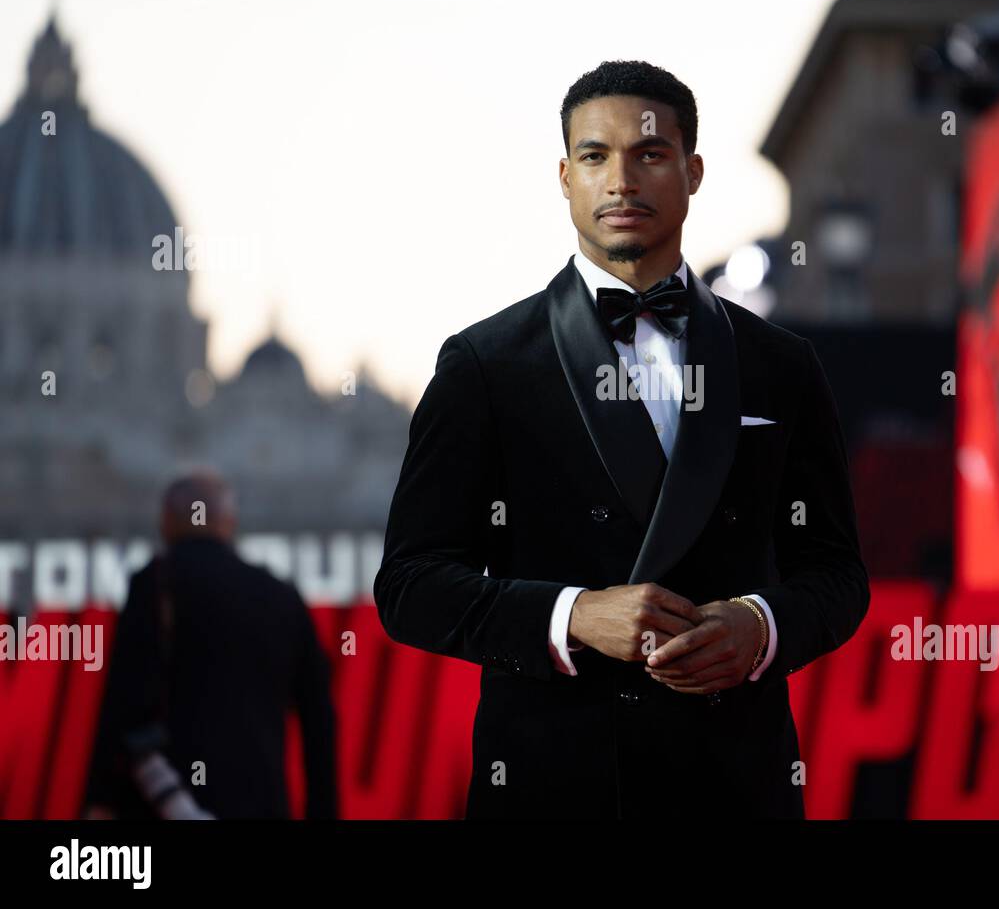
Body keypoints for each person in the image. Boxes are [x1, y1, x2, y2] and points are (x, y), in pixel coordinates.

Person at [374, 60, 869, 818]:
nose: (621, 181)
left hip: (735, 784)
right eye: (596, 157)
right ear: (565, 175)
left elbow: (836, 575)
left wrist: (760, 627)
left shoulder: (781, 364)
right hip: (551, 784)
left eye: (649, 154)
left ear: (693, 171)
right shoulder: (485, 364)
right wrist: (571, 615)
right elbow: (409, 586)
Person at [82, 469, 338, 819]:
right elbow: (319, 720)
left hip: (165, 805)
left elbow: (124, 702)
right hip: (259, 805)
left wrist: (101, 798)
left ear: (166, 521)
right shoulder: (281, 596)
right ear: (229, 521)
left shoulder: (155, 585)